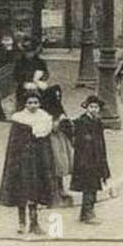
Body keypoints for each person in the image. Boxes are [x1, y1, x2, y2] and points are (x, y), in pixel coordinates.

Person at [0, 90, 59, 235]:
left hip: (38, 161)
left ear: (40, 103)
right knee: (22, 191)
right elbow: (14, 144)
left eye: (36, 102)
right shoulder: (19, 119)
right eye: (30, 102)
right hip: (22, 161)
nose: (33, 105)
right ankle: (21, 223)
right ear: (25, 104)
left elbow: (46, 144)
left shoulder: (44, 118)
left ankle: (34, 223)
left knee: (35, 191)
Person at [68, 95, 111, 223]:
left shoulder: (97, 121)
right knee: (89, 187)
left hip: (96, 159)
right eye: (91, 106)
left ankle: (85, 213)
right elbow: (77, 139)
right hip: (85, 160)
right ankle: (88, 214)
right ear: (87, 107)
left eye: (96, 107)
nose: (93, 109)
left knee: (93, 186)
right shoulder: (82, 122)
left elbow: (101, 142)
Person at [33, 73, 73, 205]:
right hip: (49, 138)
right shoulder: (40, 102)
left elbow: (63, 116)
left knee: (60, 164)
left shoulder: (54, 100)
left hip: (59, 139)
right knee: (53, 164)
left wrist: (63, 121)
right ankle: (53, 191)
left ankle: (60, 189)